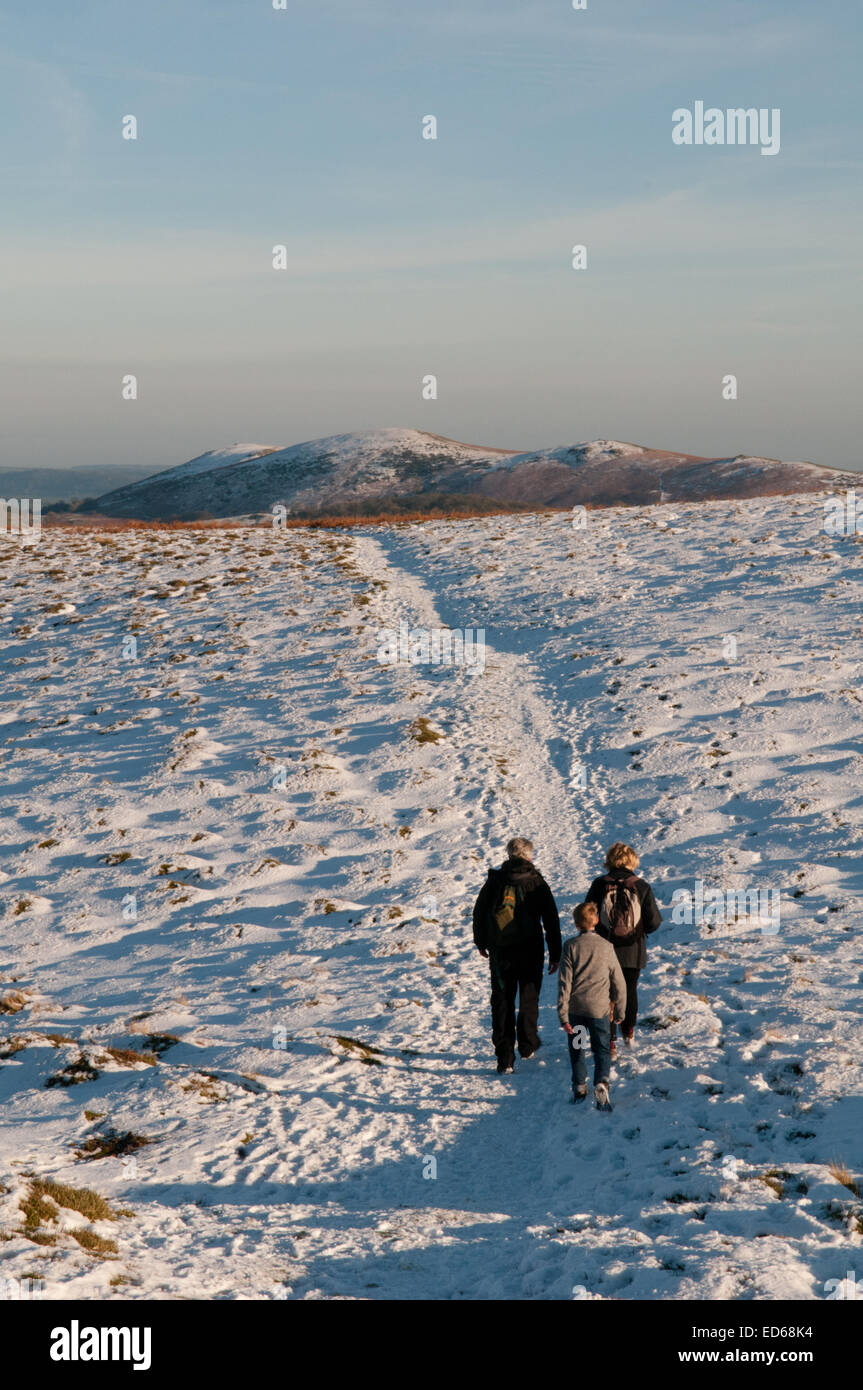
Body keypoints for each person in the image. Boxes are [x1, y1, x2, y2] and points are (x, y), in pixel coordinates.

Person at [472, 837, 561, 1074]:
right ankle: (527, 1044)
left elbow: (479, 912)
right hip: (531, 949)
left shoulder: (494, 881)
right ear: (529, 856)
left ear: (509, 854)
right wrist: (555, 952)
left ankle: (504, 1058)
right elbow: (551, 919)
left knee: (502, 1000)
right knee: (529, 997)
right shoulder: (536, 882)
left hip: (501, 952)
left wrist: (481, 942)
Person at [585, 842, 661, 1059]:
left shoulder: (599, 885)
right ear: (632, 861)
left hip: (603, 949)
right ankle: (628, 1031)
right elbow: (654, 922)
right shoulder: (641, 886)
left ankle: (609, 1043)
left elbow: (588, 915)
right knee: (629, 990)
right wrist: (637, 931)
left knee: (605, 995)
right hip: (633, 950)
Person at [557, 901, 626, 1110]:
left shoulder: (570, 947)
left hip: (576, 1010)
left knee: (577, 1048)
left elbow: (564, 983)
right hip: (600, 1010)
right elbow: (619, 981)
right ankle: (602, 1081)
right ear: (596, 920)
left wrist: (563, 1015)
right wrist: (620, 1009)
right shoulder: (606, 947)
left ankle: (579, 1086)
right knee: (602, 1049)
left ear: (576, 924)